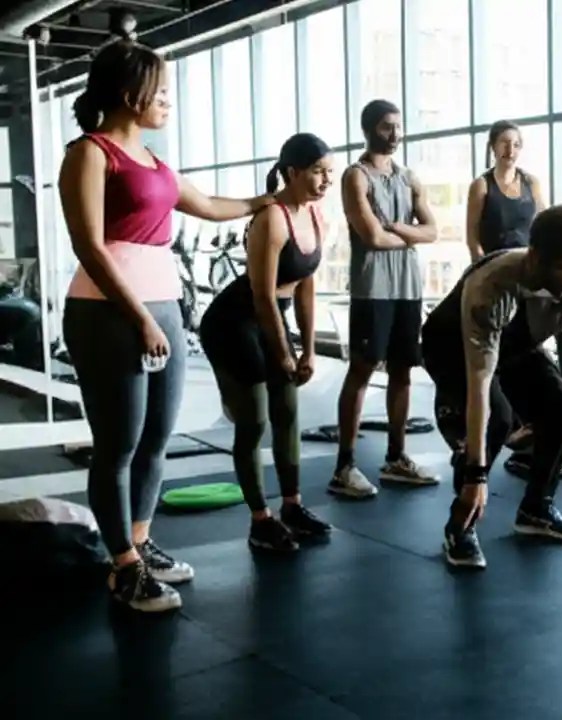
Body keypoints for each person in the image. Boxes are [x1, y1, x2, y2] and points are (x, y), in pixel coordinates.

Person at [58, 39, 275, 612]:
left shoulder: (156, 163)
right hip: (107, 310)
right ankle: (122, 568)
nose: (168, 102)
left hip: (165, 308)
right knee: (118, 445)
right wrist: (139, 319)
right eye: (161, 91)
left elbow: (210, 205)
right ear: (130, 93)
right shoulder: (89, 153)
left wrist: (270, 199)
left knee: (157, 440)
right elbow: (90, 246)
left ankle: (138, 540)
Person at [421, 204, 562, 569]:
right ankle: (460, 524)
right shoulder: (492, 285)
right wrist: (477, 475)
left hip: (516, 342)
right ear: (536, 257)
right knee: (496, 420)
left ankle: (535, 511)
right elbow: (479, 381)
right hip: (451, 347)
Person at [198, 133, 337, 552]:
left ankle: (292, 506)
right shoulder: (272, 219)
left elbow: (306, 287)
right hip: (235, 323)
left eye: (330, 172)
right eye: (318, 172)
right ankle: (261, 520)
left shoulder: (316, 216)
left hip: (274, 317)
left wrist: (307, 350)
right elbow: (261, 295)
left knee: (288, 412)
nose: (327, 180)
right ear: (292, 173)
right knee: (255, 420)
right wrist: (282, 354)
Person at [331, 99, 441, 498]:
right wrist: (407, 232)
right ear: (368, 129)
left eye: (398, 126)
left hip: (408, 289)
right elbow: (371, 238)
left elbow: (432, 232)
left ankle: (397, 457)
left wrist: (396, 225)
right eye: (385, 127)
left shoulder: (409, 178)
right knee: (361, 370)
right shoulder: (354, 177)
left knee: (403, 371)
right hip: (372, 289)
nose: (394, 134)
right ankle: (344, 466)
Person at [465, 121, 562, 447]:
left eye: (516, 144)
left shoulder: (531, 182)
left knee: (545, 346)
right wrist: (483, 275)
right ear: (493, 146)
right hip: (500, 277)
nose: (510, 149)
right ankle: (517, 423)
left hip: (532, 272)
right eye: (504, 143)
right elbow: (473, 239)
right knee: (507, 350)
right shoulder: (481, 186)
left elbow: (545, 225)